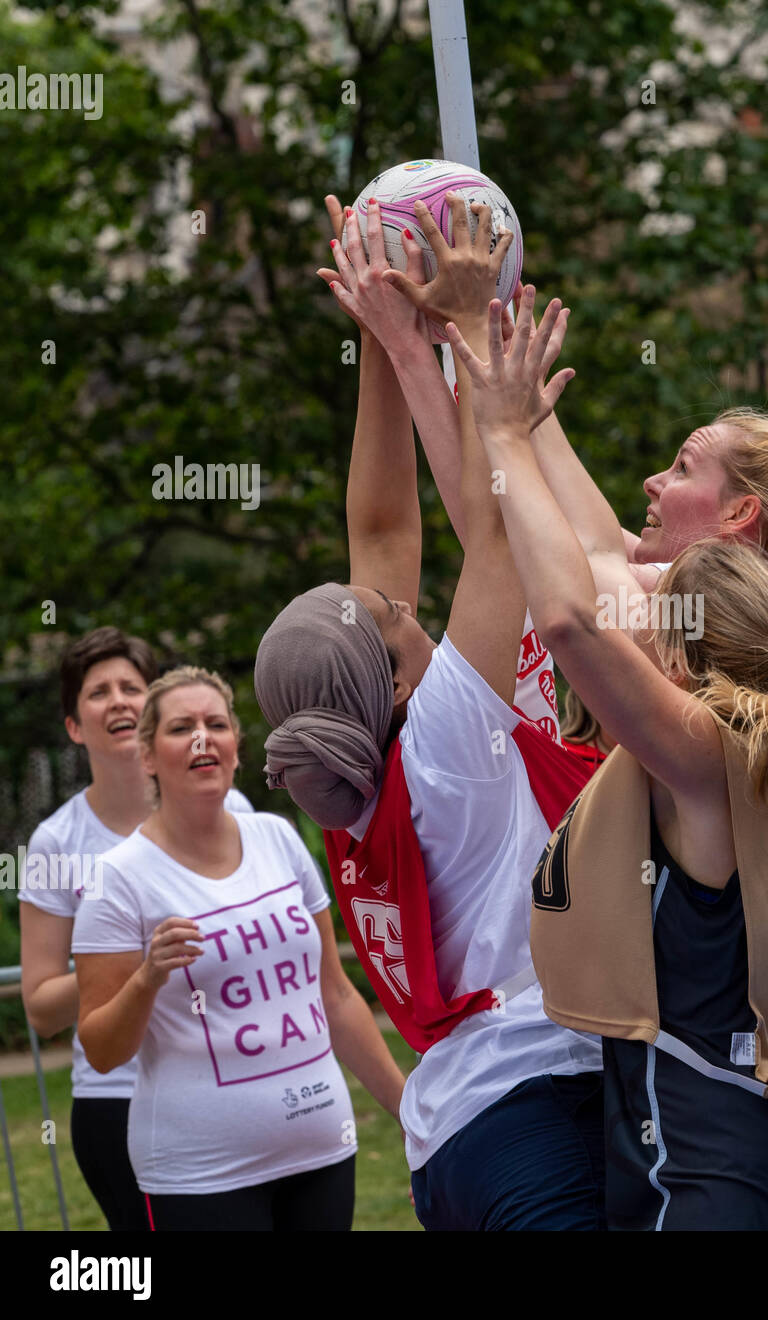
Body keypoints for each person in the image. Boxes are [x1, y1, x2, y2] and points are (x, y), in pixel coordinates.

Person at [383, 277, 768, 1229]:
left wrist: (470, 365)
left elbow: (532, 567)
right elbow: (545, 545)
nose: (650, 480)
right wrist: (483, 349)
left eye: (679, 467)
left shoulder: (726, 627)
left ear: (738, 520)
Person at [256, 200, 605, 1230]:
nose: (396, 594)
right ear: (398, 679)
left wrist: (376, 338)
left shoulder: (354, 769)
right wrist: (462, 331)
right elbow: (497, 526)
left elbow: (379, 525)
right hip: (543, 1105)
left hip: (454, 1127)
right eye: (389, 614)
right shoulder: (453, 738)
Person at [72, 666, 405, 1231]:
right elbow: (101, 1049)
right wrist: (148, 976)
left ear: (234, 744)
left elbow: (337, 996)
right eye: (181, 728)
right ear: (147, 757)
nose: (203, 739)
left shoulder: (277, 838)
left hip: (322, 1150)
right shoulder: (117, 878)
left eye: (216, 724)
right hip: (202, 1176)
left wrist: (410, 1112)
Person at [18, 627, 253, 1231]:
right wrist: (130, 963)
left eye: (131, 687)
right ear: (74, 726)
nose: (118, 700)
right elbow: (42, 1008)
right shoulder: (55, 842)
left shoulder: (232, 810)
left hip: (237, 1080)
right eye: (98, 693)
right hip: (120, 1100)